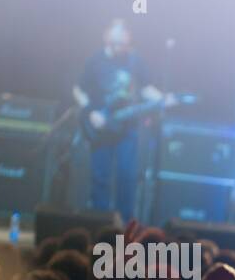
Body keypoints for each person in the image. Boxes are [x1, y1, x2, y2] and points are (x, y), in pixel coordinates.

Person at [73, 19, 175, 219]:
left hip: (127, 127)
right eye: (116, 43)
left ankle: (124, 226)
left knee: (126, 176)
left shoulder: (135, 60)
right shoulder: (95, 60)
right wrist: (90, 112)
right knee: (100, 177)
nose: (120, 48)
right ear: (107, 39)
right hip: (100, 127)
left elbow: (146, 88)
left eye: (124, 44)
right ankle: (99, 222)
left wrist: (164, 99)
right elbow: (78, 89)